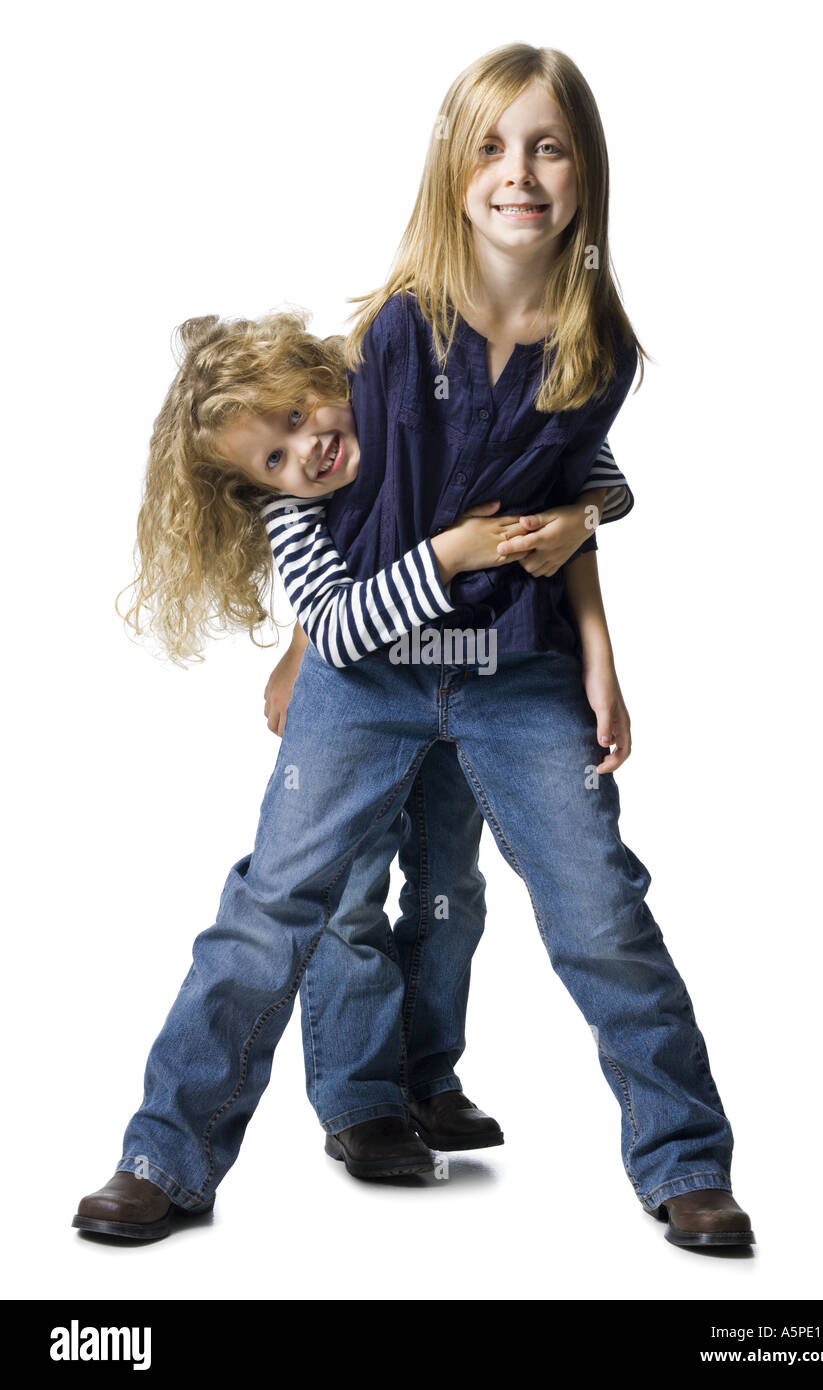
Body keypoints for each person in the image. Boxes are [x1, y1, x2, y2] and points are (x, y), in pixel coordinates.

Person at [76, 40, 754, 1249]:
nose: (520, 173)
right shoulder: (390, 340)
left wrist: (593, 622)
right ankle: (167, 1157)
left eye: (548, 146)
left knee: (596, 910)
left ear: (585, 171)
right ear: (452, 173)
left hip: (517, 675)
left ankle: (685, 1159)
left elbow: (580, 486)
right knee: (277, 902)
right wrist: (431, 570)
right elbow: (351, 526)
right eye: (492, 148)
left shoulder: (597, 344)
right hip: (367, 679)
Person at [73, 308, 627, 1237]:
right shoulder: (302, 499)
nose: (304, 455)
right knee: (327, 896)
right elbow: (339, 588)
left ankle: (424, 1079)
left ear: (323, 377)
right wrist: (311, 645)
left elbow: (579, 465)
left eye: (296, 421)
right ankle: (325, 1112)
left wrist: (577, 522)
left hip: (488, 674)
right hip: (362, 686)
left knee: (451, 889)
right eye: (273, 461)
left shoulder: (411, 403)